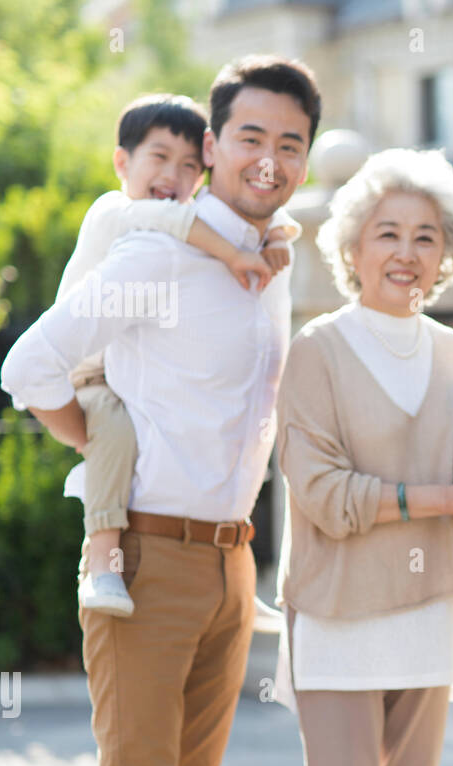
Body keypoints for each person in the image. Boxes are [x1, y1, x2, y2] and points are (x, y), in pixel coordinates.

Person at [0, 55, 322, 766]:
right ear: (212, 145)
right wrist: (101, 443)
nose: (269, 159)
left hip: (233, 565)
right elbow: (28, 367)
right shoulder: (155, 258)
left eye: (291, 143)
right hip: (146, 562)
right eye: (251, 136)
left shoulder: (273, 260)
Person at [271, 147, 453, 766]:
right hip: (337, 616)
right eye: (388, 233)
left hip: (429, 615)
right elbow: (321, 495)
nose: (406, 252)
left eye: (425, 235)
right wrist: (448, 497)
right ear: (353, 244)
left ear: (448, 254)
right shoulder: (317, 350)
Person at [52, 92, 299, 624]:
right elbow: (182, 225)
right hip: (89, 370)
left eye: (189, 165)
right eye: (159, 158)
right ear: (123, 162)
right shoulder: (116, 212)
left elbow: (218, 218)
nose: (173, 175)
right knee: (115, 437)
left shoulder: (183, 215)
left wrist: (274, 231)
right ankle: (102, 561)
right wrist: (240, 251)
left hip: (124, 366)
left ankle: (224, 567)